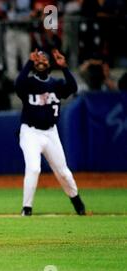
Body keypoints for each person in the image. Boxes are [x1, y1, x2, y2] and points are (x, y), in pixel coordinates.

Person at [14, 49, 86, 216]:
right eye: (38, 60)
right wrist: (28, 63)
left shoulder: (57, 84)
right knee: (33, 168)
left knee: (63, 173)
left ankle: (77, 201)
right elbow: (18, 86)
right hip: (30, 132)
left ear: (49, 64)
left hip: (51, 133)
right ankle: (27, 208)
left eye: (44, 59)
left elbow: (73, 88)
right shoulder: (29, 82)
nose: (41, 61)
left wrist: (65, 67)